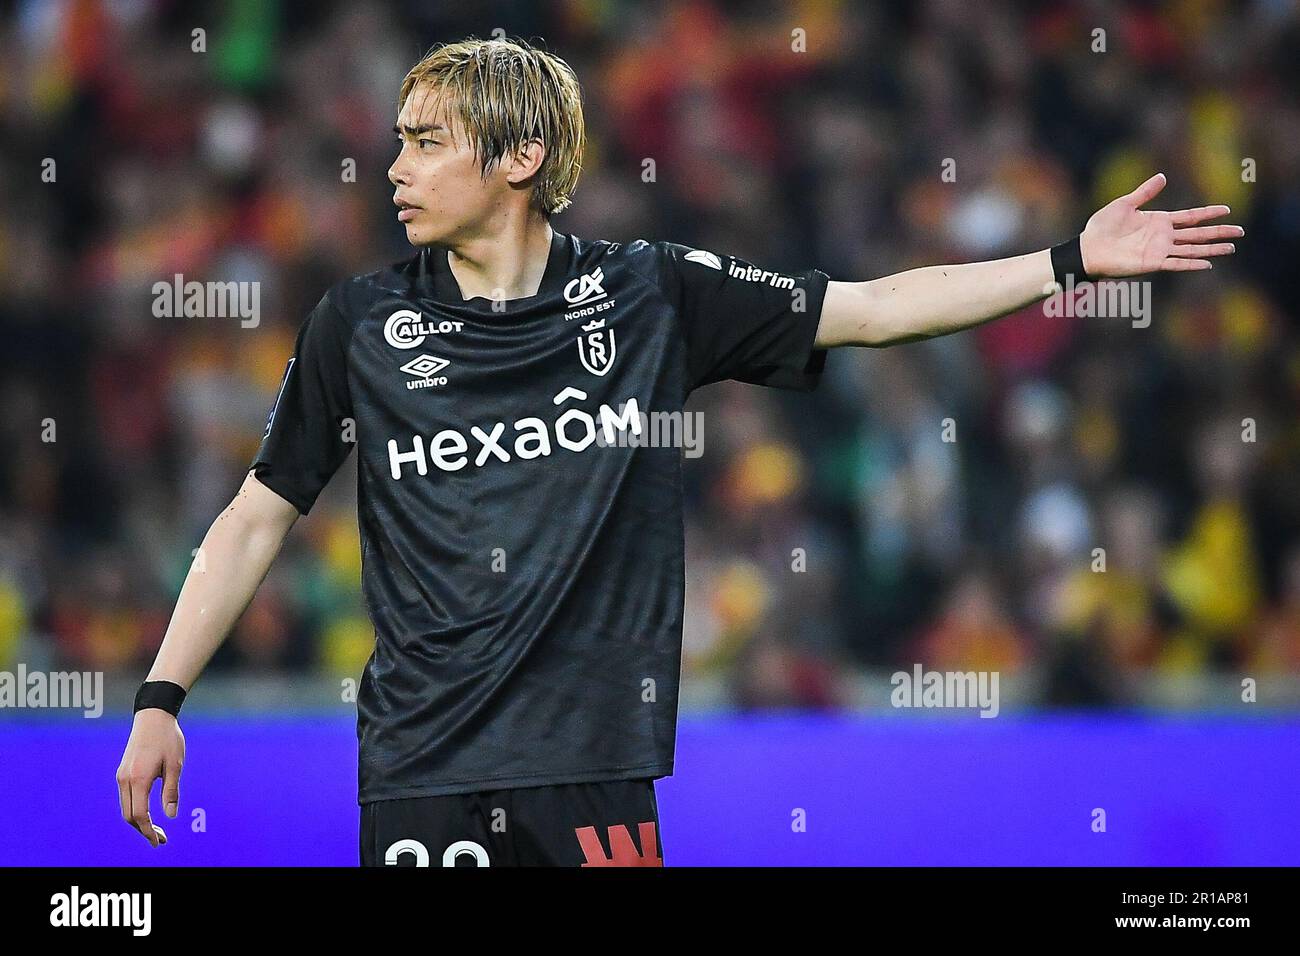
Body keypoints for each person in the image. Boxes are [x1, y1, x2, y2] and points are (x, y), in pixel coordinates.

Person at [116, 37, 1241, 866]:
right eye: (398, 141)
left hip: (598, 773)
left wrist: (1066, 259)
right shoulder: (356, 324)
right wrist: (162, 695)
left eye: (425, 142)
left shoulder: (650, 293)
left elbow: (875, 305)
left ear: (520, 154)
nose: (395, 168)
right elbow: (256, 512)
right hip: (423, 772)